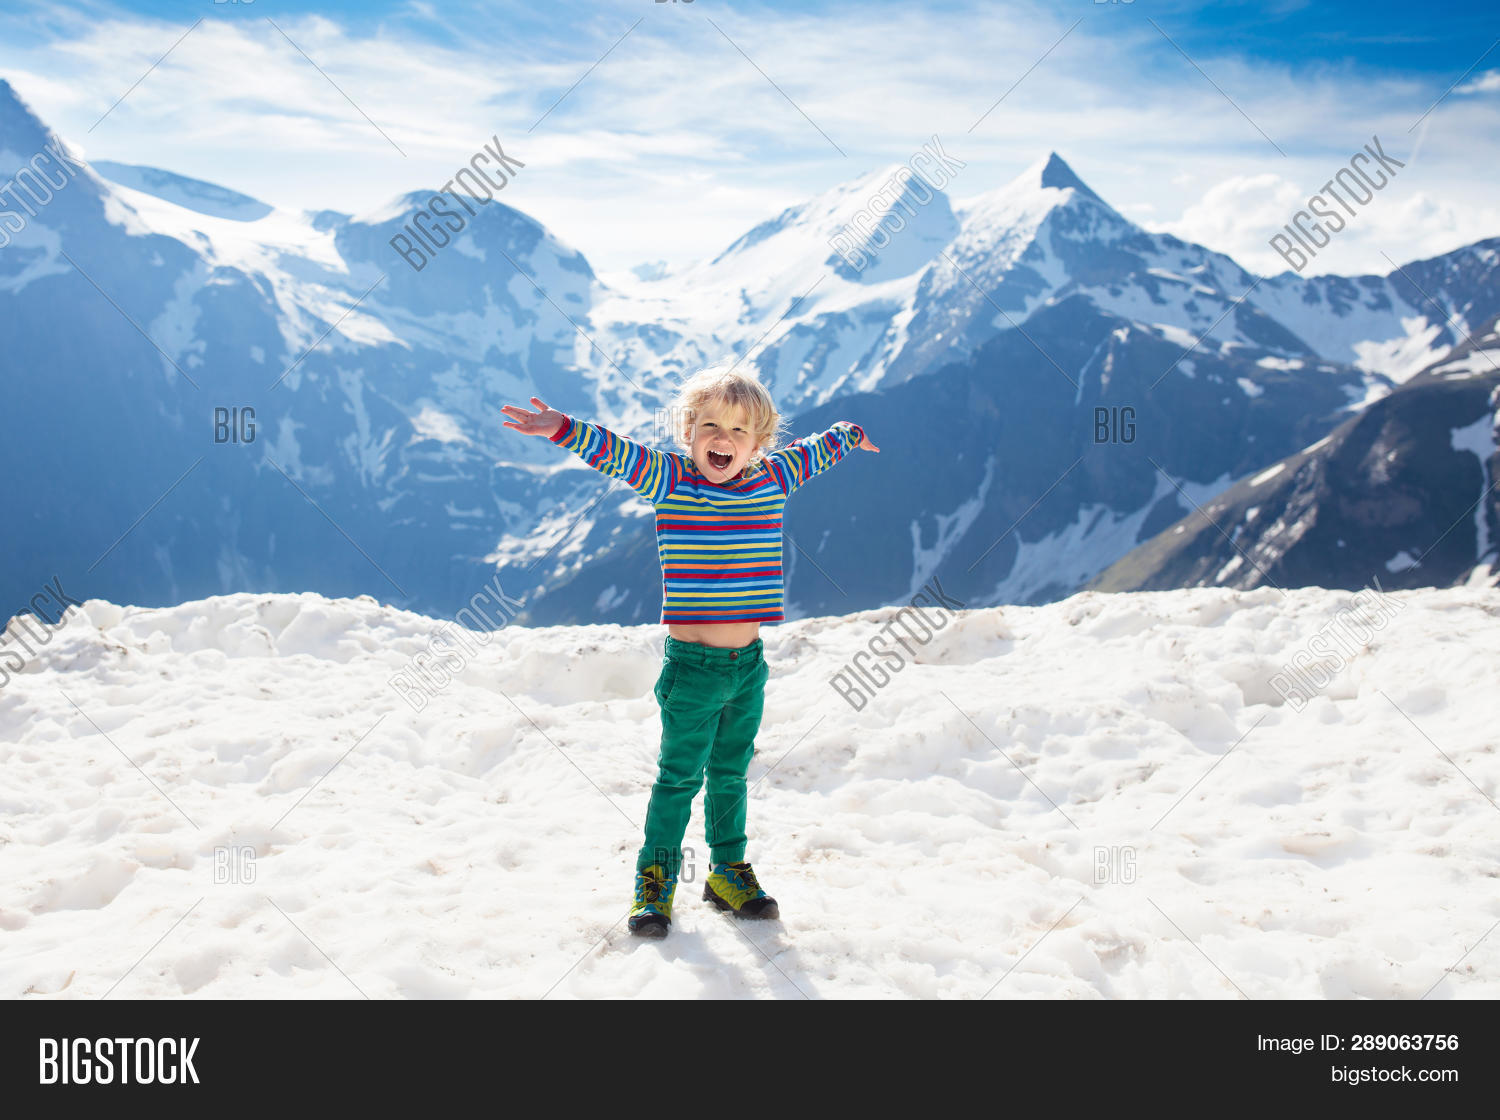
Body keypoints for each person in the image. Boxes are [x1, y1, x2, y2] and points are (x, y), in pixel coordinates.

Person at [502, 361, 877, 937]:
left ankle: (728, 872)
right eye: (709, 427)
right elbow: (618, 452)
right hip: (692, 669)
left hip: (747, 669)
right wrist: (559, 426)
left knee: (730, 774)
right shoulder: (671, 481)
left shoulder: (774, 478)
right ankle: (654, 885)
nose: (722, 440)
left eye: (738, 431)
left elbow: (819, 448)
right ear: (688, 433)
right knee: (678, 779)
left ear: (759, 443)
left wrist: (851, 434)